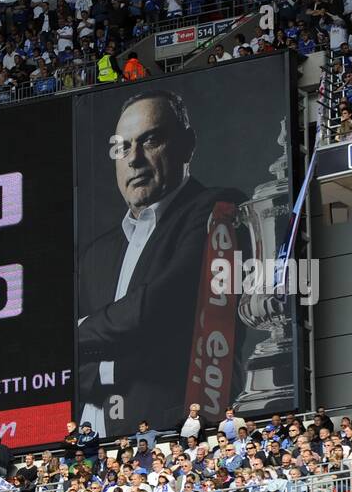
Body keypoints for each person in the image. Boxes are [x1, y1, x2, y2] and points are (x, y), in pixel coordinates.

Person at [77, 89, 248, 437]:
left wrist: (82, 333)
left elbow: (158, 305)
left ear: (187, 144)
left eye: (150, 141)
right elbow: (66, 366)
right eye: (123, 148)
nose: (135, 159)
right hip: (88, 434)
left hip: (171, 428)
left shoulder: (217, 208)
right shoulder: (96, 255)